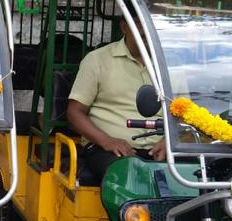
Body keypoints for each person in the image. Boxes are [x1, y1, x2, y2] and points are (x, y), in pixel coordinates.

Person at [67, 16, 165, 181]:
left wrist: (168, 142)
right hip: (108, 149)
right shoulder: (97, 59)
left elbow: (184, 112)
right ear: (124, 27)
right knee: (127, 179)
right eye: (141, 36)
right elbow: (74, 113)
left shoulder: (170, 62)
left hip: (162, 149)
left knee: (200, 176)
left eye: (152, 34)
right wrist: (107, 141)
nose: (147, 41)